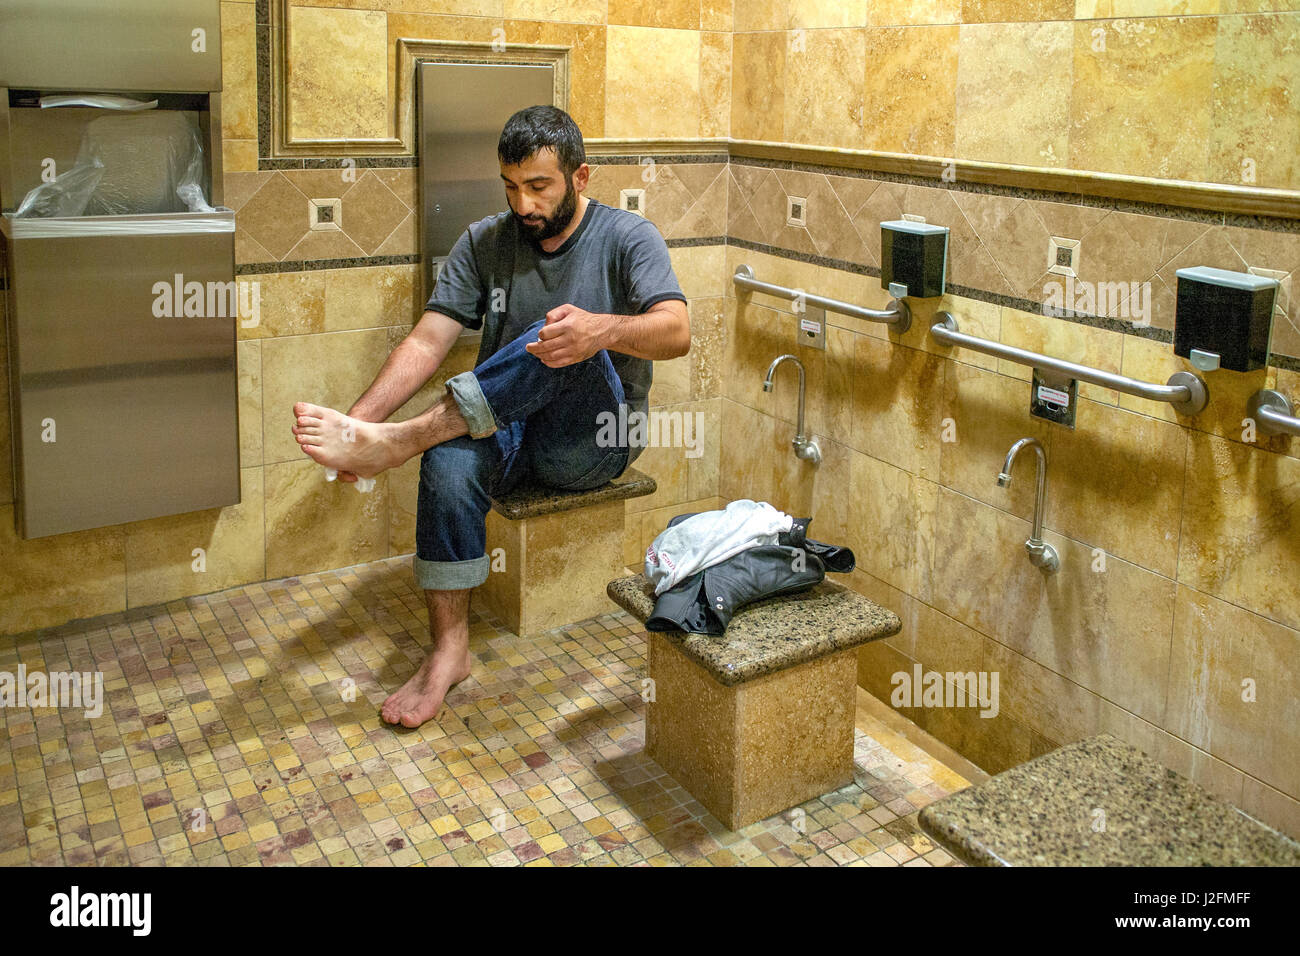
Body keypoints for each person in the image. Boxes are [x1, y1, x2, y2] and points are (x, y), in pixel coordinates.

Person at [290, 105, 690, 728]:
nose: (523, 204)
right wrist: (355, 427)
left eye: (538, 187)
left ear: (580, 178)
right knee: (448, 457)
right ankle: (450, 651)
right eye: (510, 187)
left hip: (592, 440)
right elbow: (428, 341)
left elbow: (676, 331)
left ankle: (402, 441)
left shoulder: (628, 237)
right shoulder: (484, 240)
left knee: (561, 331)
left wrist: (598, 332)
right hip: (506, 423)